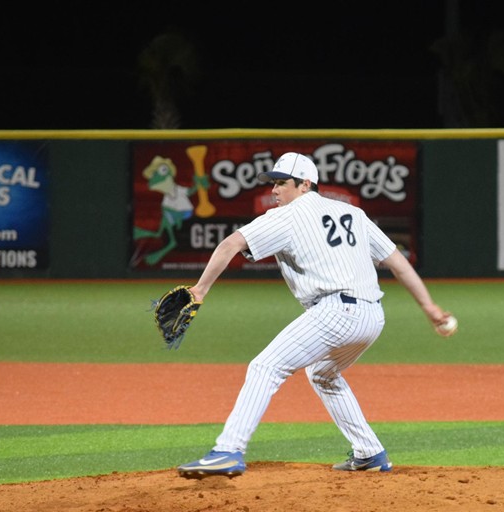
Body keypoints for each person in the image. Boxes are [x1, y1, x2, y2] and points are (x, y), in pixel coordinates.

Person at [176, 152, 453, 478]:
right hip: (372, 317)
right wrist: (429, 307)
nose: (275, 190)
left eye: (281, 183)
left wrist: (200, 289)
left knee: (266, 366)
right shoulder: (353, 213)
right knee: (323, 373)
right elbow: (397, 261)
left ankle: (228, 450)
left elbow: (230, 244)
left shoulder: (287, 216)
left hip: (336, 312)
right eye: (273, 183)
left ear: (305, 184)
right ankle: (369, 452)